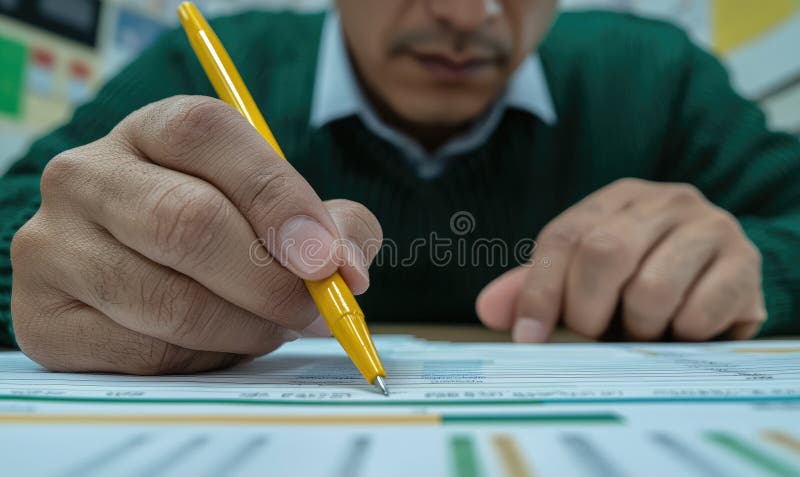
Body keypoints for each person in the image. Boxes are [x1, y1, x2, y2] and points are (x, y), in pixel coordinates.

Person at [1, 0, 799, 374]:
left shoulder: (658, 77)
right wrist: (54, 277)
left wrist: (751, 267)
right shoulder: (202, 71)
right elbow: (23, 228)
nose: (467, 13)